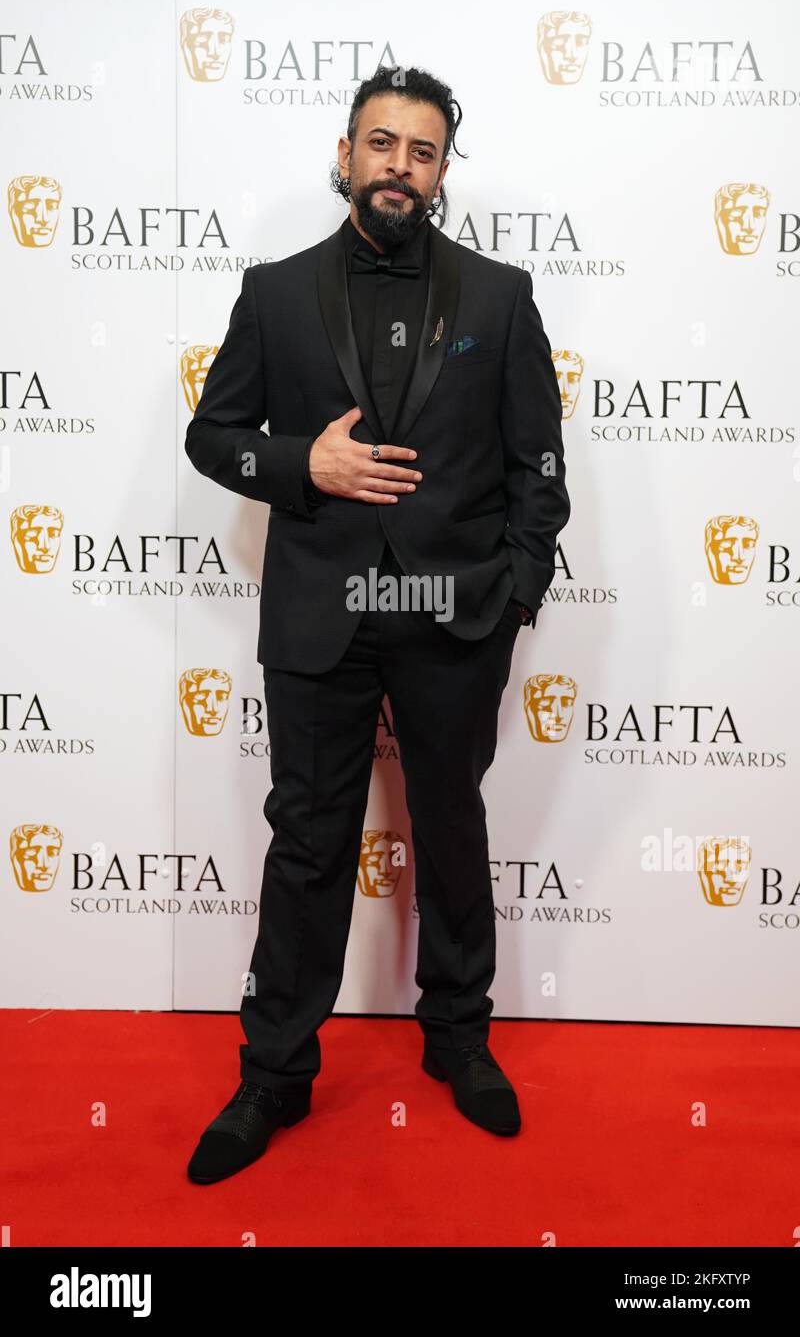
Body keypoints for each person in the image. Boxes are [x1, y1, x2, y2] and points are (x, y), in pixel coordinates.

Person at [184, 64, 570, 1184]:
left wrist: (514, 593)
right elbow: (214, 437)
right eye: (381, 144)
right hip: (320, 613)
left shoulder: (498, 298)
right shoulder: (275, 290)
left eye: (422, 150)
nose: (399, 166)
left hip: (453, 615)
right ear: (345, 154)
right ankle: (273, 1074)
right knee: (309, 840)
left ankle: (458, 1039)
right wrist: (298, 460)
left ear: (442, 170)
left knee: (450, 821)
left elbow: (535, 466)